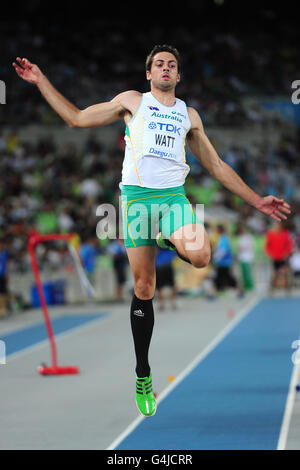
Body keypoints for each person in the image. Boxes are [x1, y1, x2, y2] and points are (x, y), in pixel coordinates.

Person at [13, 45, 291, 417]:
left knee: (201, 255)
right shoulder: (132, 101)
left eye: (172, 65)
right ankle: (143, 374)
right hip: (135, 202)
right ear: (149, 74)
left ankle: (164, 237)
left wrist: (256, 200)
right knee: (144, 287)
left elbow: (217, 164)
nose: (165, 68)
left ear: (178, 76)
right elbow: (76, 119)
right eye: (159, 63)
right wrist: (40, 80)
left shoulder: (188, 115)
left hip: (172, 198)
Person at [212, 224, 241, 296]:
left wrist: (215, 257)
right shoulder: (220, 238)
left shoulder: (224, 238)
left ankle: (239, 289)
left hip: (224, 261)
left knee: (227, 276)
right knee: (220, 276)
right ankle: (217, 291)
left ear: (220, 230)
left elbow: (223, 250)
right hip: (221, 262)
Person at [265, 221, 294, 291]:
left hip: (283, 256)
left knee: (284, 272)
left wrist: (287, 253)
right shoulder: (270, 234)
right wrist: (270, 254)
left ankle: (287, 286)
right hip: (275, 257)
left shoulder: (285, 233)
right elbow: (267, 245)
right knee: (275, 272)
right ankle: (273, 286)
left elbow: (289, 244)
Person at [155, 247, 177, 311]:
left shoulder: (155, 240)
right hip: (167, 264)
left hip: (160, 264)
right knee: (171, 285)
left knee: (160, 286)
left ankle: (162, 304)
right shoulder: (170, 239)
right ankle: (173, 303)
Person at [236, 224, 255, 292]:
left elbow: (250, 247)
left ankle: (250, 286)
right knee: (243, 273)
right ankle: (245, 285)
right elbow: (239, 248)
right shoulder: (240, 238)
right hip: (242, 257)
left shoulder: (249, 237)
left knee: (248, 272)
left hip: (247, 257)